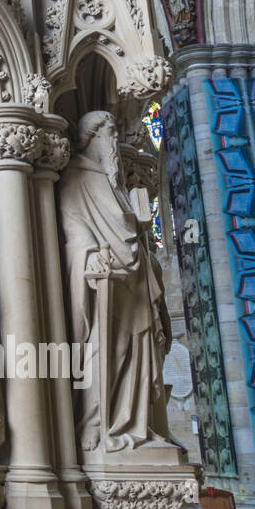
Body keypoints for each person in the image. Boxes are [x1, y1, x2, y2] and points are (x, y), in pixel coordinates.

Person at [59, 110, 171, 453]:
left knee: (135, 350)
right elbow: (71, 224)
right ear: (91, 137)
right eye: (108, 134)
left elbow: (131, 230)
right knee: (105, 351)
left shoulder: (115, 181)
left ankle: (135, 424)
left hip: (132, 282)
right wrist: (88, 253)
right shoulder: (76, 176)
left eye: (113, 133)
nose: (113, 142)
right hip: (104, 280)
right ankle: (95, 422)